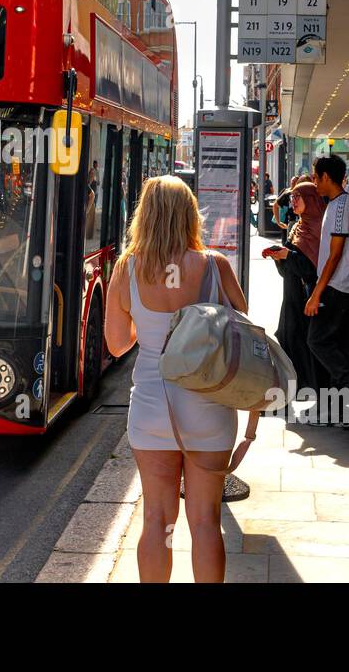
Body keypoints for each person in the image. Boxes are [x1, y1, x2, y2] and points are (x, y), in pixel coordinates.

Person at [104, 175, 248, 583]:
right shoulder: (214, 265)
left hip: (152, 408)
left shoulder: (127, 268)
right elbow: (243, 326)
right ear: (189, 215)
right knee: (205, 521)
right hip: (208, 408)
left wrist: (149, 330)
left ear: (144, 216)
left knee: (157, 521)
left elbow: (116, 345)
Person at [303, 155, 349, 427]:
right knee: (340, 344)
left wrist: (316, 294)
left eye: (315, 176)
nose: (313, 181)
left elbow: (335, 255)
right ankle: (342, 409)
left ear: (326, 177)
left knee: (317, 340)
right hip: (341, 286)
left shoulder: (341, 206)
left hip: (337, 286)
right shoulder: (336, 205)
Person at [263, 180, 329, 410]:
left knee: (302, 343)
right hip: (291, 295)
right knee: (286, 337)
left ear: (311, 199)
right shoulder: (297, 226)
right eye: (292, 197)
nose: (293, 201)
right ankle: (292, 391)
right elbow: (290, 266)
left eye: (298, 197)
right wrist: (279, 258)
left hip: (306, 297)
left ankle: (308, 392)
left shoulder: (319, 228)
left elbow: (312, 270)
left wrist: (287, 257)